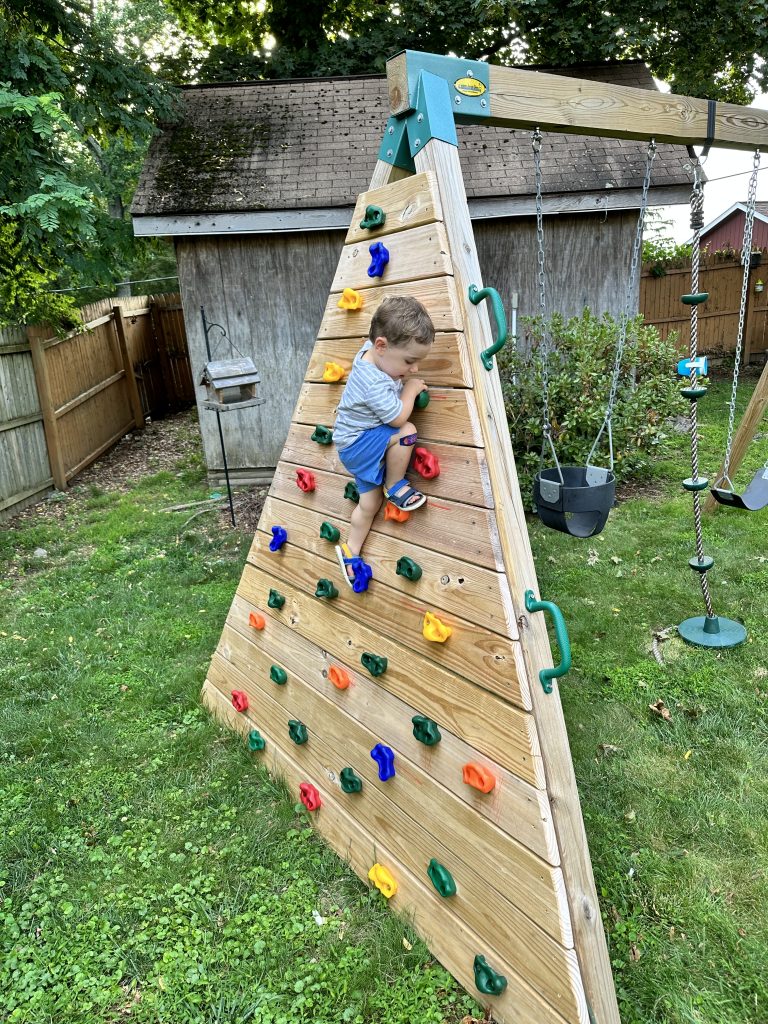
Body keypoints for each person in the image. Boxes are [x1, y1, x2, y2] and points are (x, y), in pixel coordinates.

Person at [331, 295, 435, 589]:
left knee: (369, 503)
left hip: (355, 445)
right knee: (407, 432)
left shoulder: (372, 354)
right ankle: (396, 485)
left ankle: (351, 552)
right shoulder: (372, 381)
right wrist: (411, 390)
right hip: (359, 443)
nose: (413, 369)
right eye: (409, 361)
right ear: (380, 346)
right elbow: (397, 419)